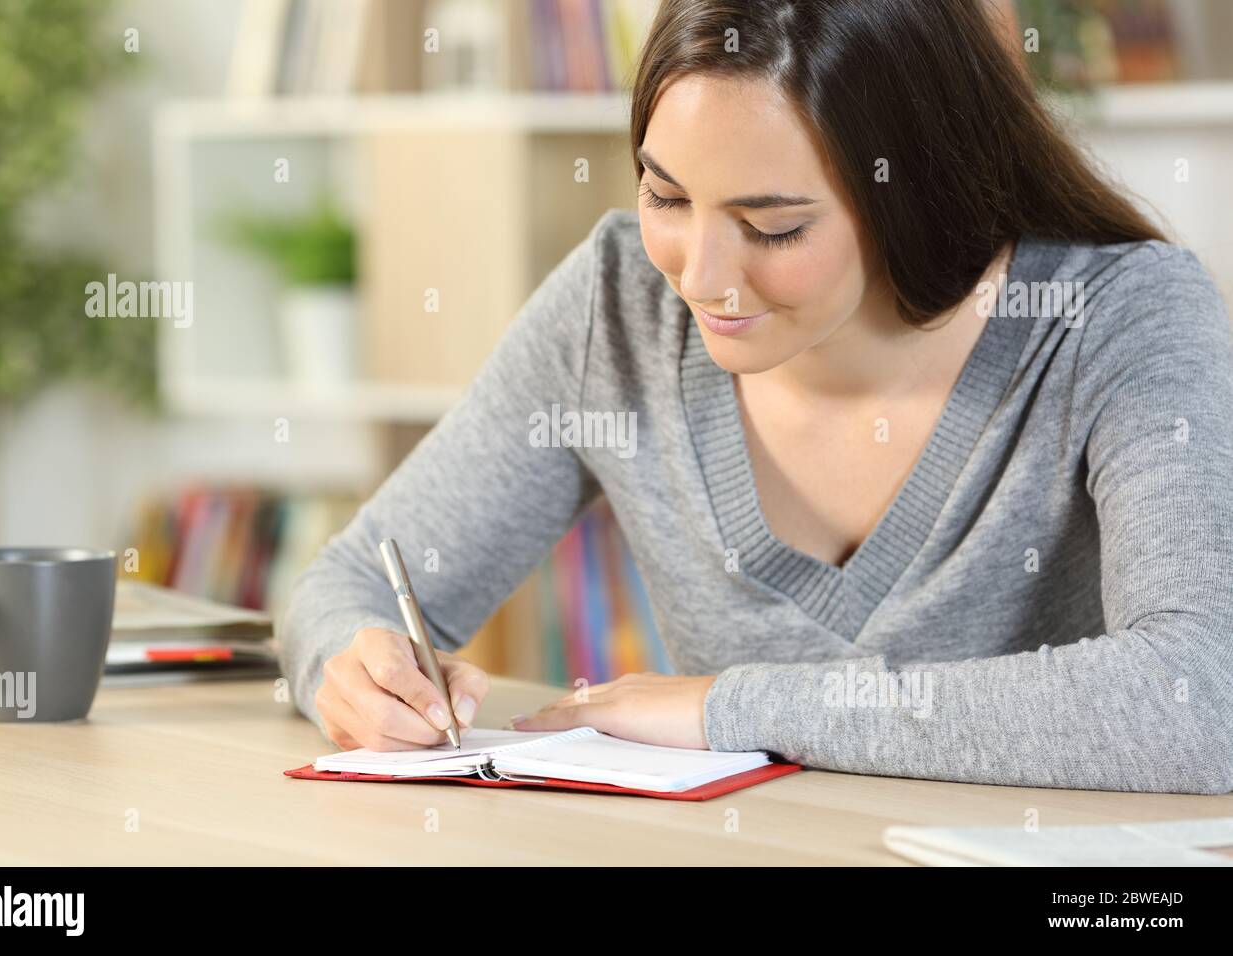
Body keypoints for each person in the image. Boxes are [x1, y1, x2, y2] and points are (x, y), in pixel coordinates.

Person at [278, 0, 1233, 793]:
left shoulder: (1119, 316)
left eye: (772, 227)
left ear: (919, 192)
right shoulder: (619, 306)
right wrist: (350, 665)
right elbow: (352, 580)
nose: (701, 278)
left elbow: (1203, 697)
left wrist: (725, 706)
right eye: (666, 196)